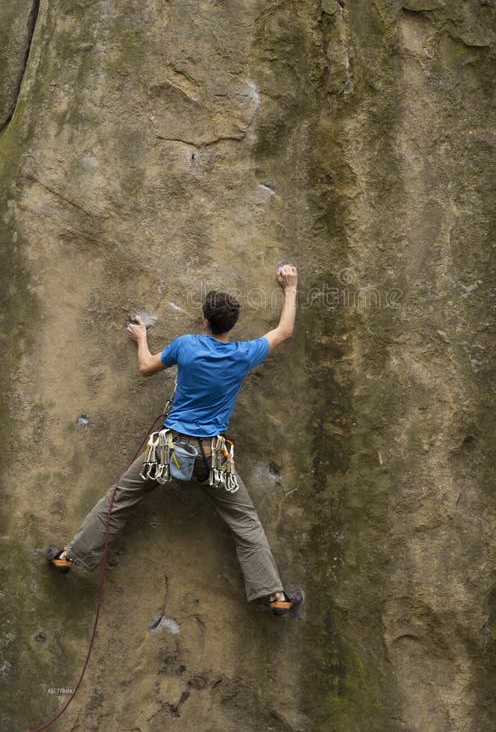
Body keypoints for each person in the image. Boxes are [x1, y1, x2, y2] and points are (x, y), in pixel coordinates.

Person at [45, 264, 303, 616]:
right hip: (213, 457)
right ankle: (276, 596)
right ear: (231, 325)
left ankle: (68, 558)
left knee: (119, 499)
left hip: (168, 450)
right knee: (244, 522)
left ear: (204, 320)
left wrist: (141, 339)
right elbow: (284, 331)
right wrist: (290, 287)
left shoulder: (187, 346)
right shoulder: (244, 354)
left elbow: (147, 367)